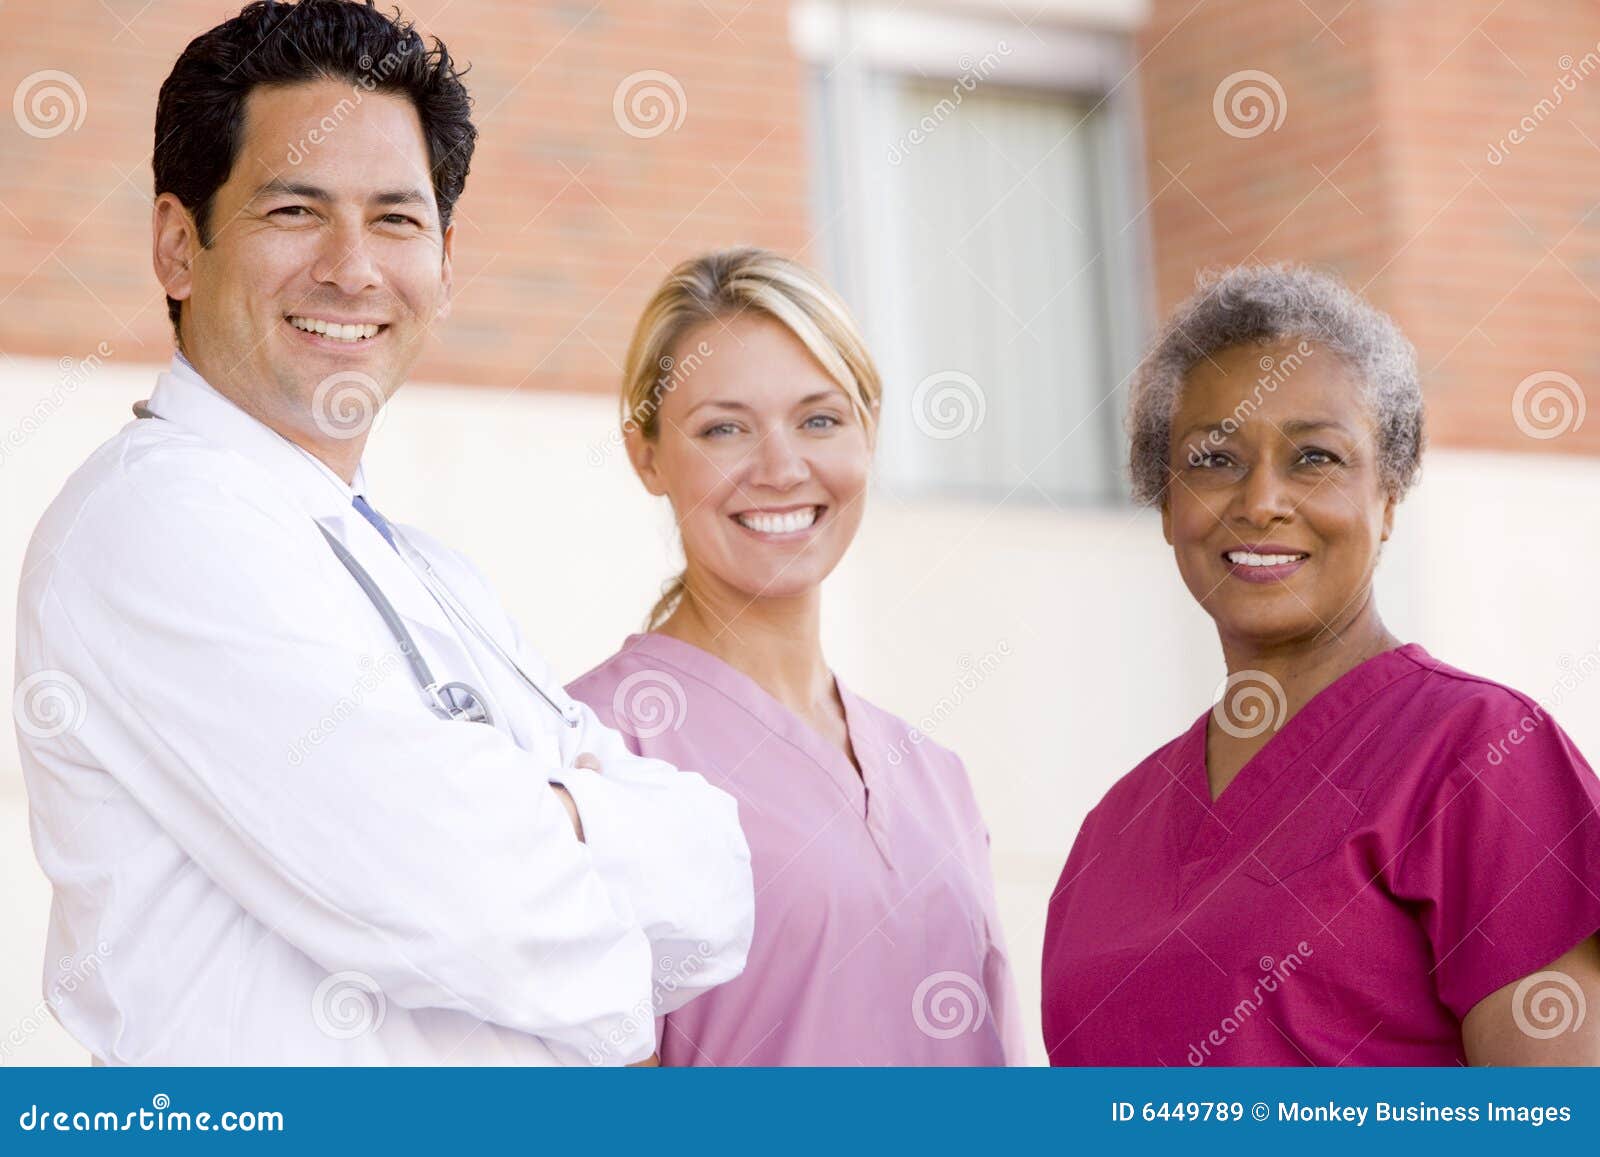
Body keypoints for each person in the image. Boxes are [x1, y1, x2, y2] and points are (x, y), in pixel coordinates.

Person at [13, 0, 751, 1065]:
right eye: (295, 211)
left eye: (397, 219)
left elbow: (716, 875)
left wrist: (546, 840)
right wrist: (591, 881)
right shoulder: (153, 526)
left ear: (445, 261)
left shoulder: (429, 570)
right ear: (179, 245)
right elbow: (460, 897)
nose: (353, 269)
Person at [1041, 264, 1600, 1066]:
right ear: (1165, 507)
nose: (1261, 499)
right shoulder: (1110, 833)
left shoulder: (1483, 757)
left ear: (1389, 501)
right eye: (1213, 458)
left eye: (1314, 457)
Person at [566, 248, 1024, 1065]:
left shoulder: (936, 777)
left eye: (820, 419)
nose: (781, 468)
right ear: (645, 454)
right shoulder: (591, 749)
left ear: (868, 435)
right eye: (724, 429)